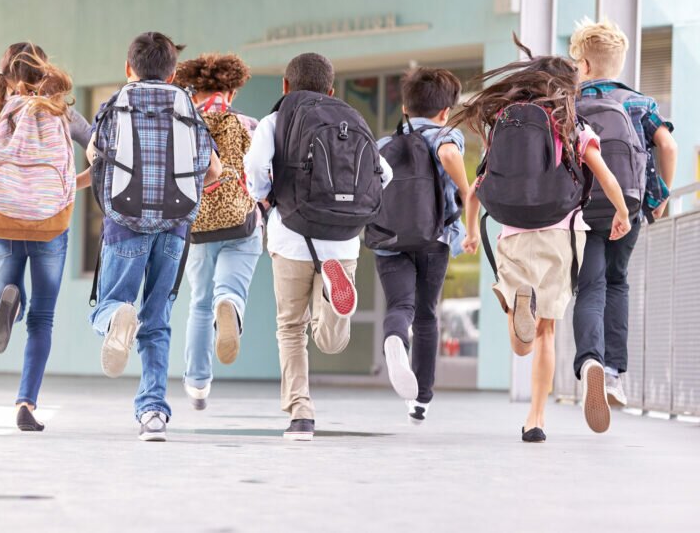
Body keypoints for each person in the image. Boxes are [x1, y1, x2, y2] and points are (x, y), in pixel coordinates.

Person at [456, 41, 631, 442]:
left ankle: (521, 307)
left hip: (512, 232)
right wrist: (620, 212)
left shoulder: (503, 121)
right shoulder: (572, 124)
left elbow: (474, 191)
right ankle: (537, 418)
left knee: (523, 341)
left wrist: (469, 233)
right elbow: (604, 175)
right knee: (547, 331)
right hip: (561, 231)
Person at [243, 53, 393, 441]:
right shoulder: (350, 119)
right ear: (331, 89)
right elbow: (384, 173)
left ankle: (301, 413)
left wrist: (264, 197)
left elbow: (256, 167)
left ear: (285, 87)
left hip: (291, 236)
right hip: (342, 242)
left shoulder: (275, 121)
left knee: (291, 328)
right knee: (331, 340)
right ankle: (334, 302)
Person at [85, 32, 222, 441]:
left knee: (107, 305)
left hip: (124, 222)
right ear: (174, 71)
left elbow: (95, 155)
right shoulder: (187, 106)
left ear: (129, 69)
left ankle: (115, 318)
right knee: (158, 318)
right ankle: (153, 415)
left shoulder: (116, 103)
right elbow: (212, 169)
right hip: (175, 226)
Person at [0, 43, 92, 432]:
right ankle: (27, 402)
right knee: (43, 318)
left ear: (6, 75)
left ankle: (8, 300)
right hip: (51, 220)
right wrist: (75, 183)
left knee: (7, 291)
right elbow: (99, 147)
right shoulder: (61, 110)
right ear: (44, 72)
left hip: (4, 217)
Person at [568, 18, 677, 418]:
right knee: (617, 283)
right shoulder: (640, 103)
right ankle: (612, 372)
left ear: (585, 65)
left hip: (580, 208)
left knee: (589, 286)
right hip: (627, 208)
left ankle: (589, 361)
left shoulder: (570, 103)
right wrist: (660, 196)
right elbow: (668, 145)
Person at [372, 68, 470, 425]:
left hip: (390, 238)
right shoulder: (447, 134)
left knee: (401, 306)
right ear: (445, 110)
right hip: (433, 238)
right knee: (427, 314)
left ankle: (396, 337)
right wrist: (467, 190)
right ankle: (421, 399)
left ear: (404, 108)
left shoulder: (382, 145)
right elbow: (447, 156)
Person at [172, 53, 262, 411]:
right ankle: (231, 306)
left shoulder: (184, 125)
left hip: (197, 227)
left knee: (199, 303)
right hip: (241, 223)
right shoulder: (248, 124)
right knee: (229, 290)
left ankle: (197, 383)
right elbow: (262, 176)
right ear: (233, 90)